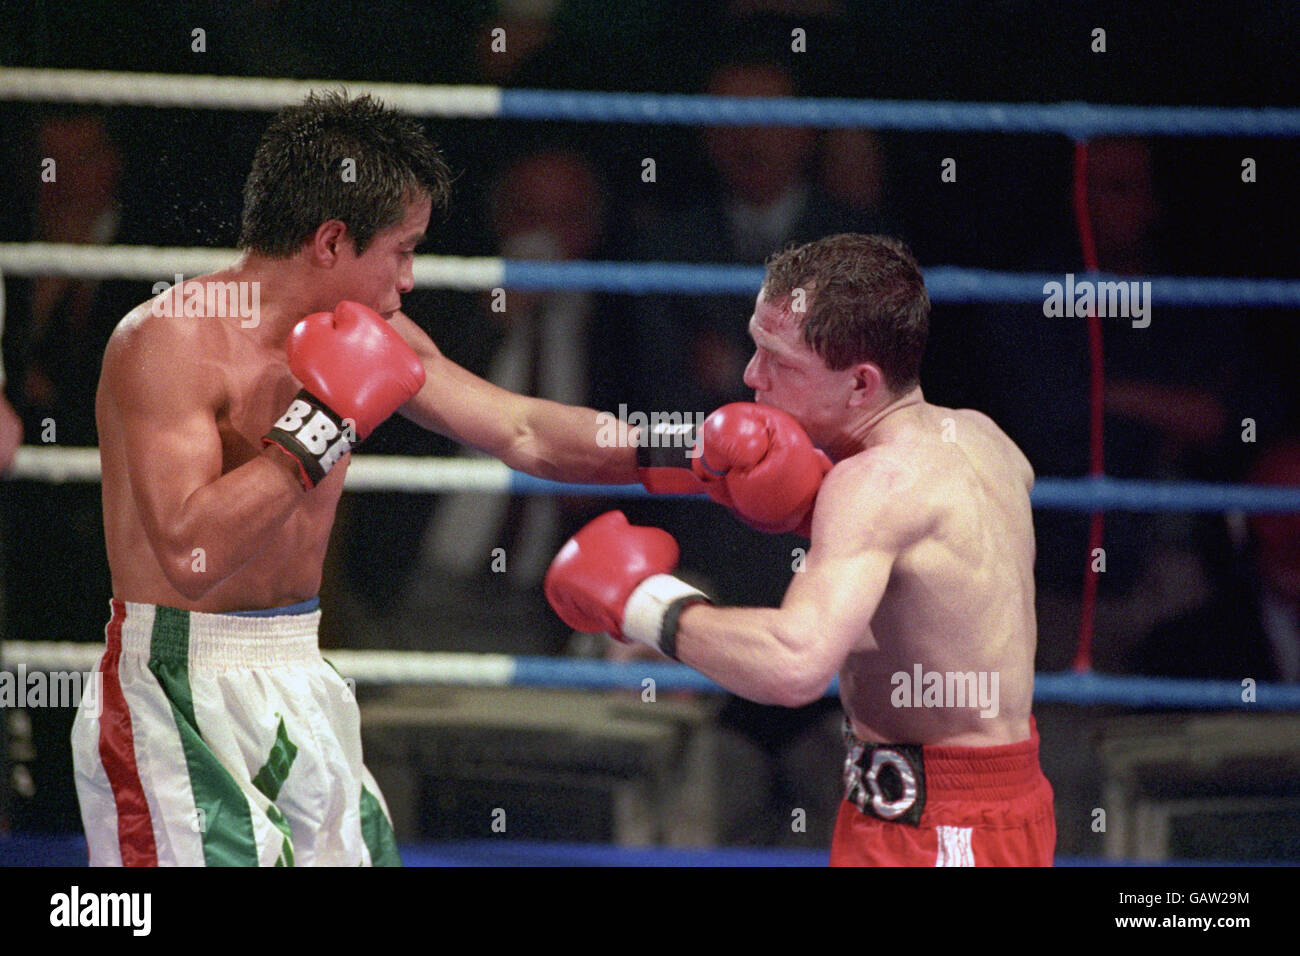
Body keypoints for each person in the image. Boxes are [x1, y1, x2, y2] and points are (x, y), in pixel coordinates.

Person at [74, 91, 779, 867]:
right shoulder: (168, 342)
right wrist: (321, 421)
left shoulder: (376, 337)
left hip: (300, 668)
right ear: (332, 241)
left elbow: (524, 429)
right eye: (402, 250)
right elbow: (189, 550)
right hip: (179, 682)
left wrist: (691, 451)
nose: (410, 279)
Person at [545, 234, 1057, 866]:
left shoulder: (873, 484)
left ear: (861, 385)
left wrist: (641, 604)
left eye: (776, 359)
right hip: (964, 800)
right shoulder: (984, 439)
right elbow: (931, 575)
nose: (749, 375)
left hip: (940, 828)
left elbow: (794, 664)